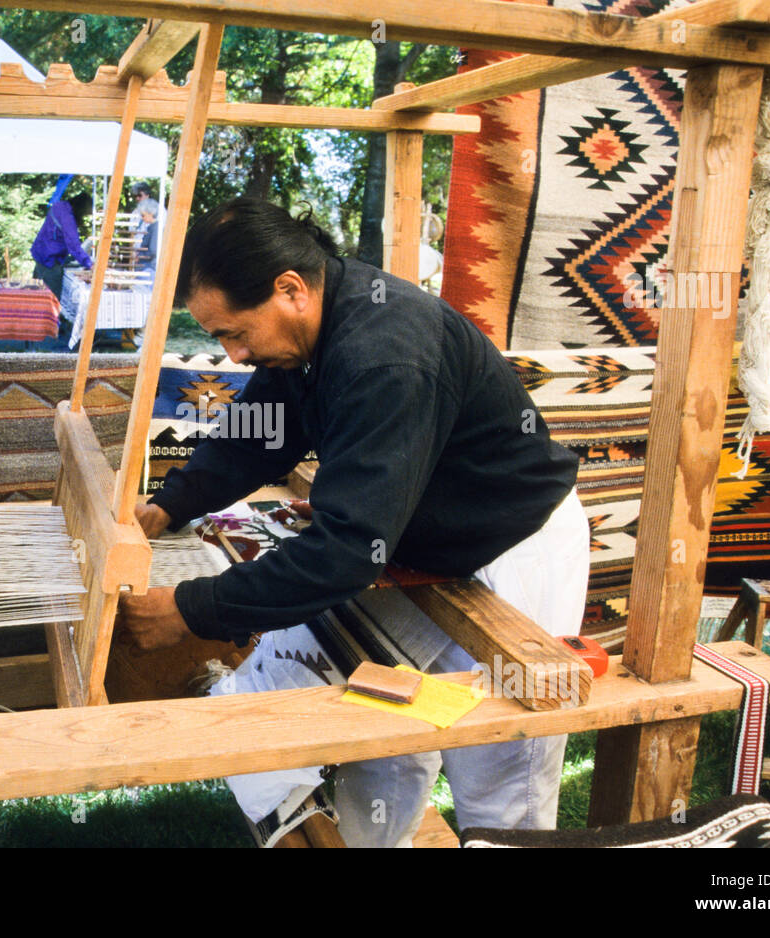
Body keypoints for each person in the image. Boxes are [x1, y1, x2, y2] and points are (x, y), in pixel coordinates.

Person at [117, 197, 589, 846]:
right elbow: (259, 434)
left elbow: (342, 554)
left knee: (501, 772)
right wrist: (167, 505)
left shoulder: (384, 353)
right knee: (381, 732)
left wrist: (190, 609)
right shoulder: (310, 333)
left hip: (513, 547)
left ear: (290, 290)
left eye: (233, 332)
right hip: (425, 543)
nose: (229, 353)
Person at [31, 191, 93, 299]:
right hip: (49, 262)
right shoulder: (67, 217)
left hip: (41, 255)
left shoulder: (60, 206)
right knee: (51, 300)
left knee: (38, 297)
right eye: (85, 214)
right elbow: (74, 246)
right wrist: (89, 264)